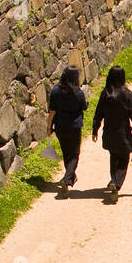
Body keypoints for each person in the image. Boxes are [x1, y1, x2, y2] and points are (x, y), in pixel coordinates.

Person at [91, 65, 132, 202]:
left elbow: (98, 113)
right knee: (124, 159)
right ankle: (116, 183)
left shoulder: (105, 94)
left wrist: (94, 130)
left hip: (109, 133)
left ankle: (113, 180)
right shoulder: (127, 94)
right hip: (123, 133)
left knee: (113, 157)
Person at [47, 65, 87, 198]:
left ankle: (69, 177)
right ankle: (67, 179)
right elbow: (84, 107)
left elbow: (52, 110)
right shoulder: (79, 93)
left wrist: (49, 127)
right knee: (75, 154)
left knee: (66, 153)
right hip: (74, 127)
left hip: (60, 127)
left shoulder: (56, 91)